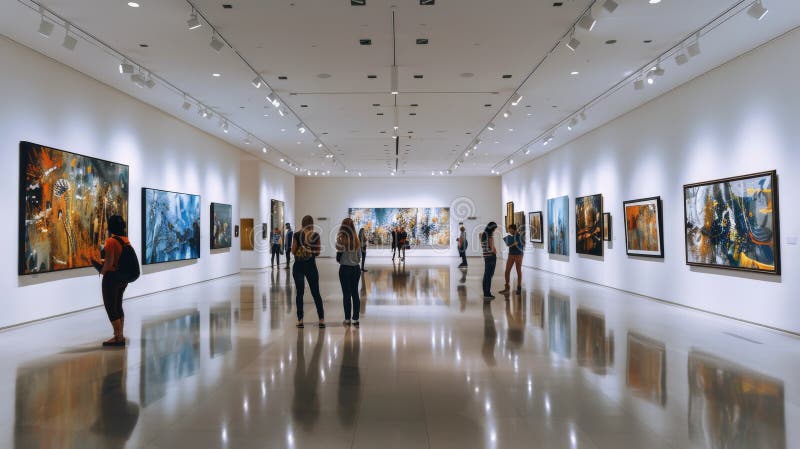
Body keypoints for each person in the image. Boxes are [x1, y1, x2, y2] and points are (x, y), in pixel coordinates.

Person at [93, 215, 132, 347]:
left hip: (112, 279)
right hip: (122, 278)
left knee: (111, 307)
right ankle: (119, 335)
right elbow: (117, 258)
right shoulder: (125, 240)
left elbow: (109, 264)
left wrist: (101, 269)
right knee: (118, 305)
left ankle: (118, 337)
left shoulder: (111, 241)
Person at [292, 215, 325, 328]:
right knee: (316, 293)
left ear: (302, 223)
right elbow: (318, 252)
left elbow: (293, 251)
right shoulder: (315, 236)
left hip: (298, 267)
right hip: (311, 266)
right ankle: (321, 319)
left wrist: (301, 249)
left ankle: (300, 320)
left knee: (299, 294)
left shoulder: (296, 235)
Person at [337, 218, 362, 326]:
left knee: (346, 294)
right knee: (355, 293)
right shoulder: (357, 240)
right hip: (355, 269)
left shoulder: (341, 239)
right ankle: (356, 319)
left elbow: (338, 255)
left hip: (345, 269)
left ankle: (347, 319)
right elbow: (360, 256)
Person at [500, 223, 524, 295]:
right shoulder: (512, 236)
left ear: (513, 230)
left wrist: (511, 244)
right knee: (507, 271)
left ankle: (519, 287)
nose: (509, 231)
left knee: (518, 271)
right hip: (511, 254)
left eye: (510, 230)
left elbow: (516, 244)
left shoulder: (519, 236)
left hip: (518, 255)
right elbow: (513, 244)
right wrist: (511, 244)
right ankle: (507, 286)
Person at [480, 222, 498, 300]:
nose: (495, 230)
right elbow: (492, 248)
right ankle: (487, 293)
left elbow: (484, 246)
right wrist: (495, 251)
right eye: (494, 229)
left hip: (486, 257)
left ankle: (485, 292)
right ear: (492, 228)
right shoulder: (490, 236)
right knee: (489, 275)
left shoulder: (482, 235)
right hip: (491, 257)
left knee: (486, 275)